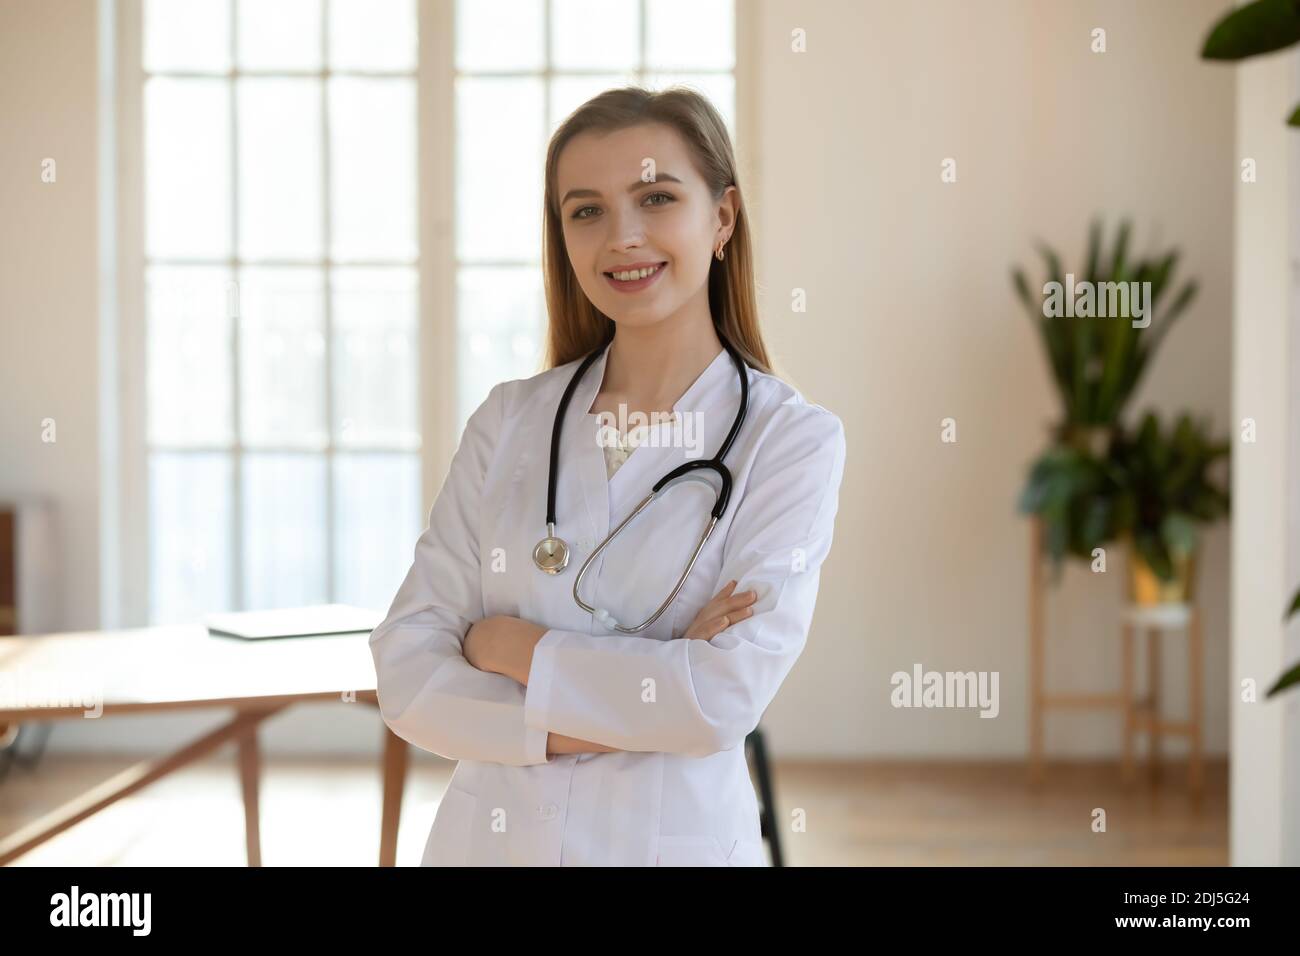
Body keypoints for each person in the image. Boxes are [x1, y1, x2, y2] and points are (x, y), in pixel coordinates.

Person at [369, 86, 847, 866]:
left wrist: (513, 648)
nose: (622, 237)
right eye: (585, 211)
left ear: (722, 219)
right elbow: (408, 669)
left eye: (656, 197)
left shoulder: (789, 441)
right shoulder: (509, 422)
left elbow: (722, 696)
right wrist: (656, 679)